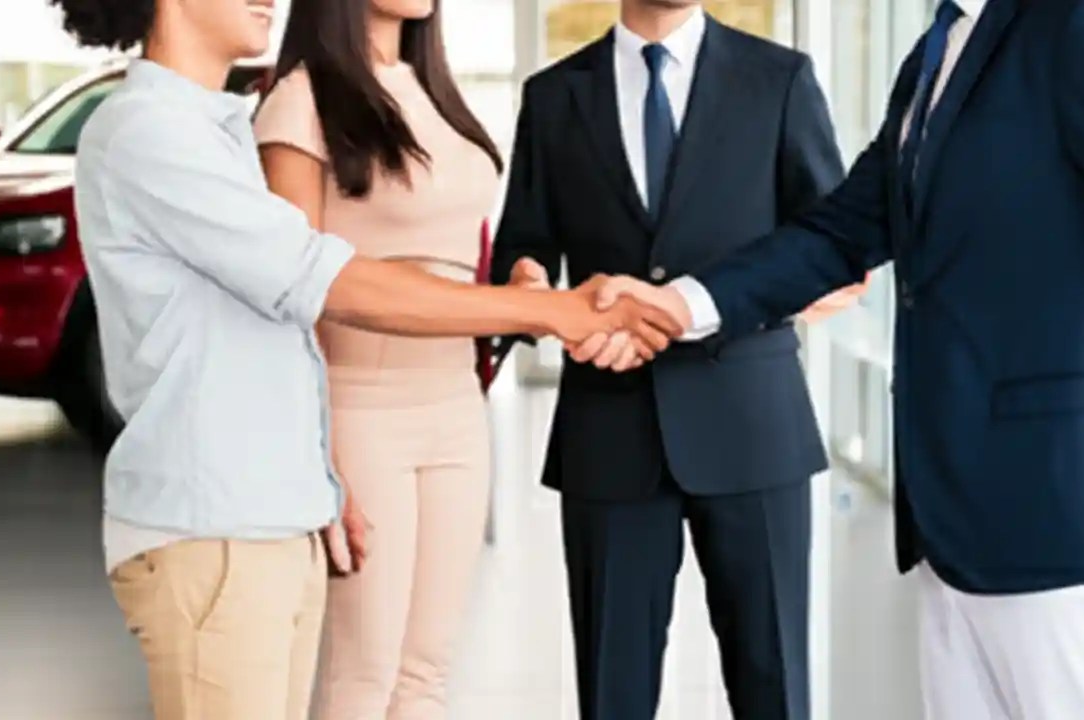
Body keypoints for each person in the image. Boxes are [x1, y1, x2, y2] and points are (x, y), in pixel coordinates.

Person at [594, 0, 1084, 717]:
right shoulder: (939, 49)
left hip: (1074, 519)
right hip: (958, 525)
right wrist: (680, 305)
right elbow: (844, 230)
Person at [51, 1, 680, 718]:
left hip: (268, 512)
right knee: (362, 682)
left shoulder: (214, 127)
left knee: (413, 681)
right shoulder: (151, 132)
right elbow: (320, 282)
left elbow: (280, 329)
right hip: (214, 521)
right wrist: (551, 310)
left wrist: (318, 473)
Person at [491, 1, 854, 717]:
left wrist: (698, 309)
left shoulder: (779, 79)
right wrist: (539, 294)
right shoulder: (553, 94)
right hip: (608, 427)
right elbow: (522, 252)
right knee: (612, 692)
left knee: (774, 686)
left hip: (754, 427)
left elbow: (836, 254)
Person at [253, 0, 500, 716]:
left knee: (426, 672)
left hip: (458, 406)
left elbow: (459, 259)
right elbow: (292, 294)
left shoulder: (435, 93)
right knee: (365, 674)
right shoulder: (300, 100)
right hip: (361, 409)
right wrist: (317, 449)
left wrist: (518, 288)